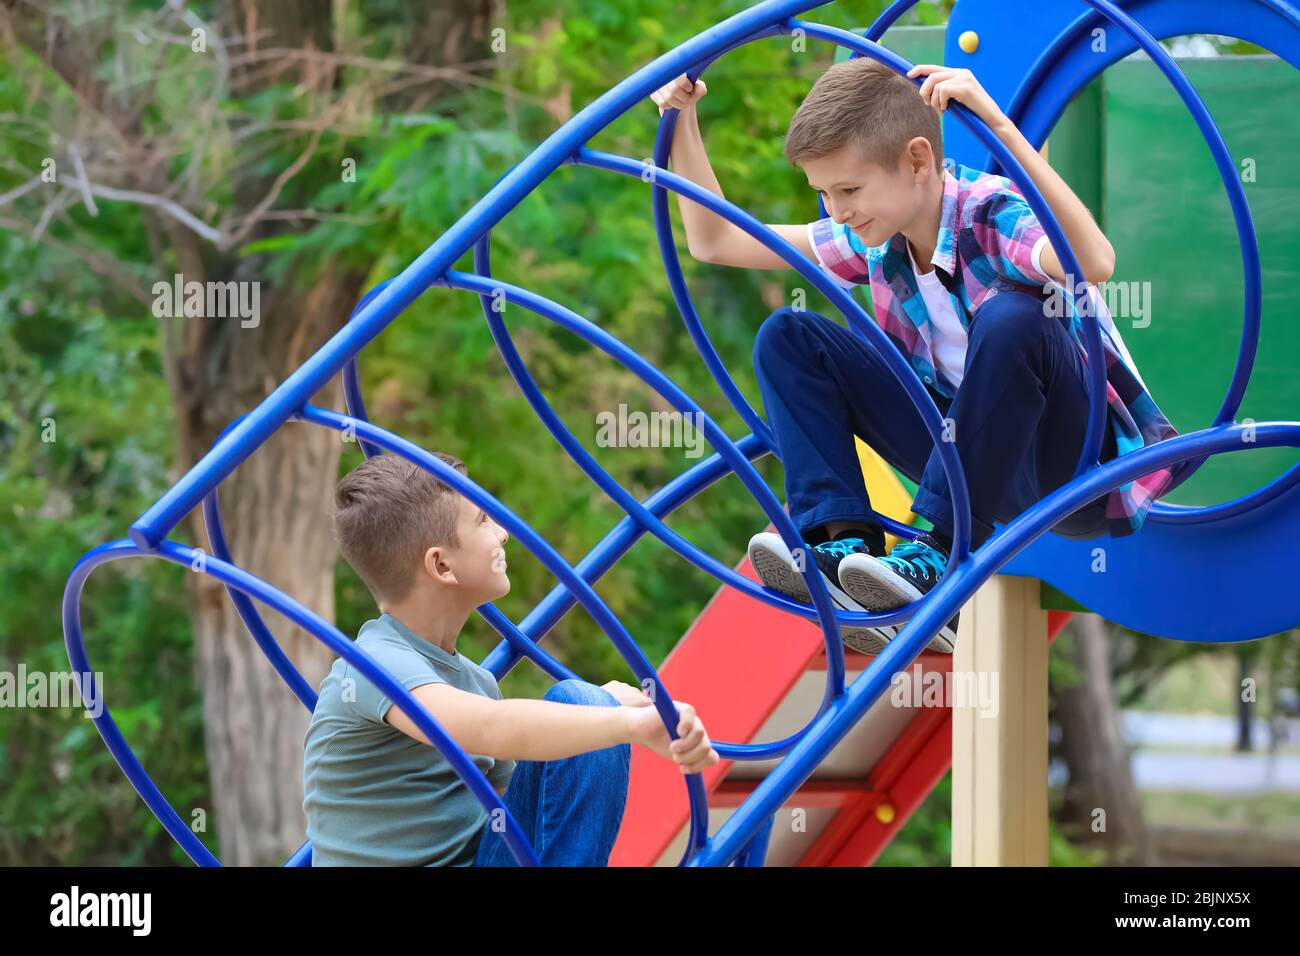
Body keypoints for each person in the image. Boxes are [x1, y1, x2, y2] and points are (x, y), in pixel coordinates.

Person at [651, 56, 1178, 653]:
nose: (836, 210)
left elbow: (1095, 265)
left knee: (1014, 316)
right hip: (970, 463)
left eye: (848, 189)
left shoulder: (989, 212)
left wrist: (1001, 127)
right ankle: (843, 544)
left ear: (919, 160)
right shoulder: (876, 239)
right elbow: (717, 240)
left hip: (1074, 469)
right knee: (789, 336)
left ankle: (935, 566)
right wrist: (683, 120)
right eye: (823, 193)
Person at [303, 451, 719, 866]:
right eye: (484, 520)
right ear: (441, 565)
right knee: (588, 706)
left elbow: (521, 809)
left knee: (585, 704)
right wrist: (629, 723)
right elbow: (488, 727)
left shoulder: (476, 683)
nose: (503, 533)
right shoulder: (372, 663)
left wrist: (600, 706)